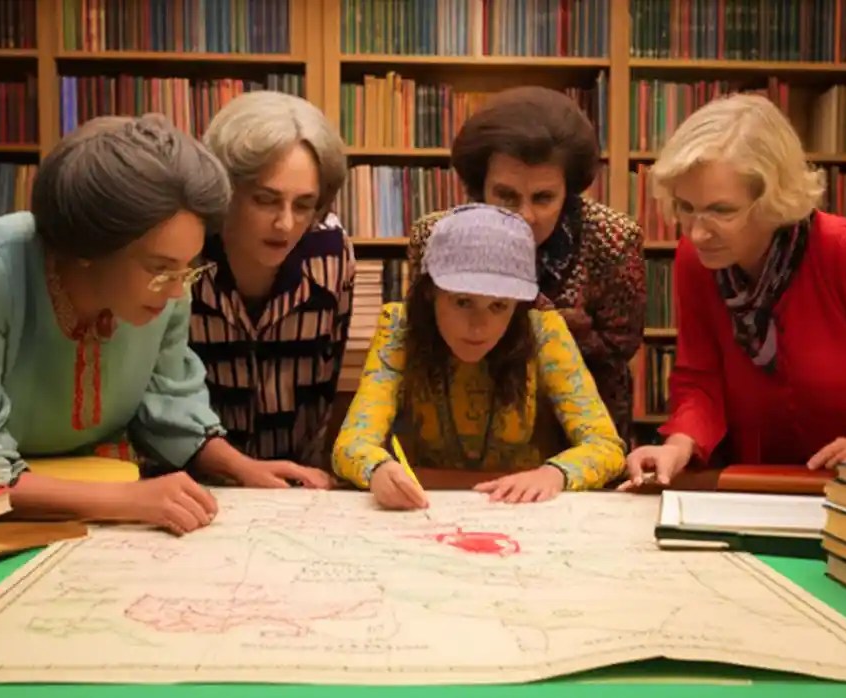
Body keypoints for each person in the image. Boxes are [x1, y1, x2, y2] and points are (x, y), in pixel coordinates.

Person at [0, 114, 323, 536]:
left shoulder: (168, 288)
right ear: (88, 246)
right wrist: (125, 500)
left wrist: (244, 468)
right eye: (161, 268)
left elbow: (169, 401)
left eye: (187, 267)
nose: (177, 292)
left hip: (75, 499)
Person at [620, 94, 846, 490]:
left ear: (772, 200)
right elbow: (701, 378)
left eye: (722, 211)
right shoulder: (696, 260)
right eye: (685, 207)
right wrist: (679, 443)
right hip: (771, 487)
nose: (697, 231)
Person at [332, 203, 627, 510]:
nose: (478, 326)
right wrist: (377, 468)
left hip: (521, 510)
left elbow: (606, 446)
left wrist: (555, 474)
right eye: (462, 301)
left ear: (518, 305)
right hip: (427, 507)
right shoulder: (399, 328)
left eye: (499, 306)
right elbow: (352, 443)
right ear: (431, 291)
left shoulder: (543, 331)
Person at [406, 86, 645, 440]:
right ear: (479, 187)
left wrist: (534, 320)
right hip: (466, 429)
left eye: (544, 198)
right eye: (506, 196)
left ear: (569, 192)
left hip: (579, 433)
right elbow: (427, 335)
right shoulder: (436, 235)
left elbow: (618, 349)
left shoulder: (613, 238)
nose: (525, 216)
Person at [188, 91, 353, 482]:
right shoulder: (185, 250)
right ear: (227, 190)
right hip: (190, 482)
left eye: (303, 205)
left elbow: (326, 385)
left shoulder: (331, 249)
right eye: (265, 200)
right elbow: (159, 394)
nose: (285, 224)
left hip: (294, 483)